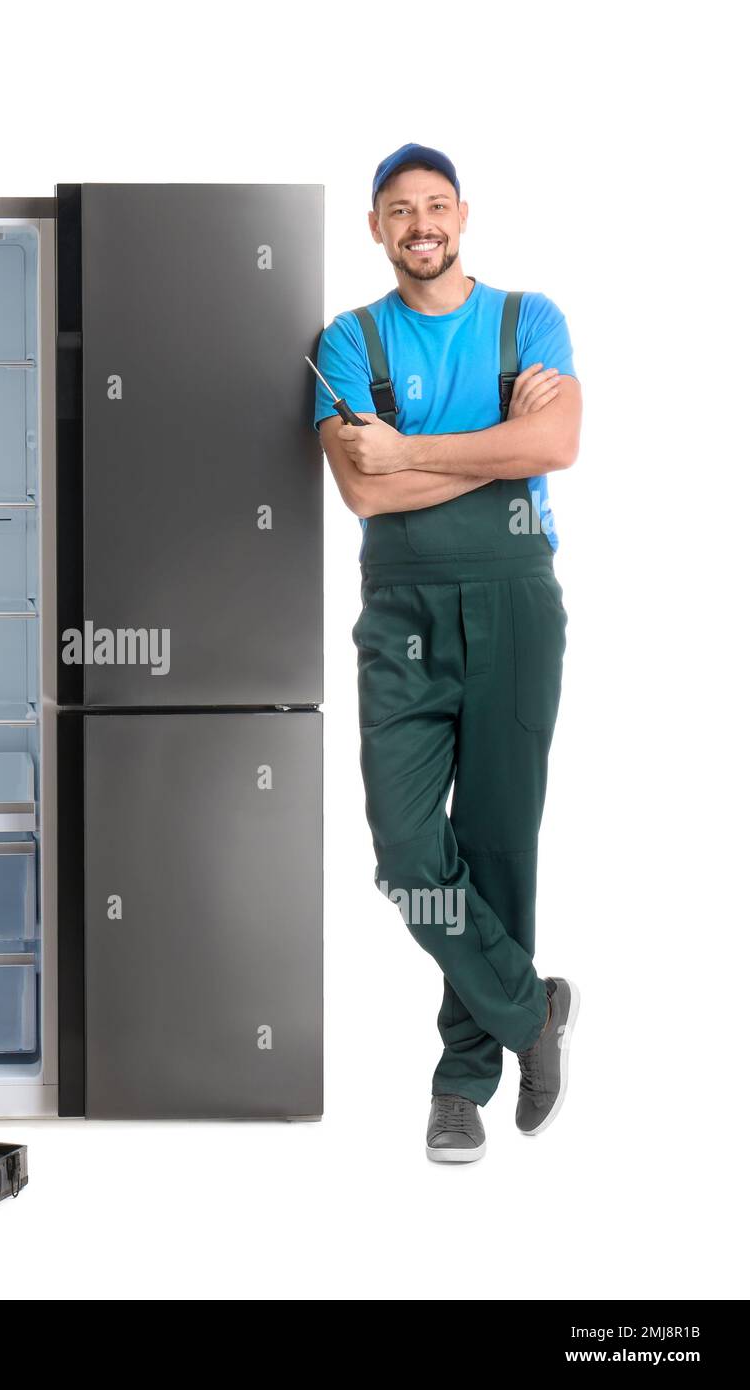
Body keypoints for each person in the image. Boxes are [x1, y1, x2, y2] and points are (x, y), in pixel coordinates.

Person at [315, 143, 581, 1163]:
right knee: (408, 852)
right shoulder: (347, 340)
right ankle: (530, 1013)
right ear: (377, 228)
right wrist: (488, 452)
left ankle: (460, 1085)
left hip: (515, 603)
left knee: (500, 844)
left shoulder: (530, 319)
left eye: (434, 207)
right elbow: (363, 492)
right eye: (398, 211)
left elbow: (554, 448)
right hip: (402, 616)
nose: (419, 225)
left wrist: (412, 449)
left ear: (461, 215)